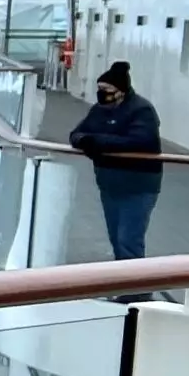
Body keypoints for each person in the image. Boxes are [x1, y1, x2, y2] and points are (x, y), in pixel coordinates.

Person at [68, 61, 163, 261]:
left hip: (138, 188)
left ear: (120, 91)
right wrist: (85, 141)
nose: (101, 93)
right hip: (110, 187)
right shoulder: (99, 110)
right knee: (116, 238)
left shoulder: (142, 110)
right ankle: (124, 283)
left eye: (106, 89)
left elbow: (142, 142)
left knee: (128, 239)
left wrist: (97, 142)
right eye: (100, 89)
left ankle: (134, 288)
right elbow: (77, 134)